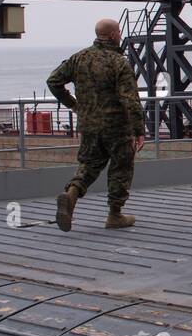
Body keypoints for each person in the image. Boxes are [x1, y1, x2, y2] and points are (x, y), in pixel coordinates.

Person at [47, 18, 146, 231]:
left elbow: (53, 81)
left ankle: (71, 193)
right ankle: (115, 214)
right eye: (118, 31)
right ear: (112, 35)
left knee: (90, 164)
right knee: (121, 167)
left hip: (89, 124)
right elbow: (130, 99)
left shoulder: (79, 58)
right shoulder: (119, 62)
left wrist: (74, 105)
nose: (120, 34)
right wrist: (139, 130)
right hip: (117, 126)